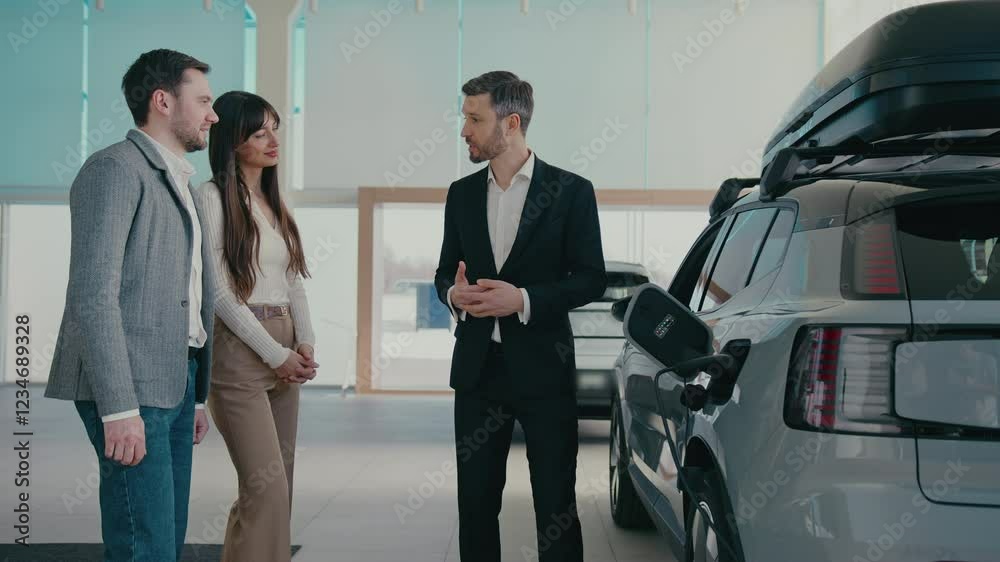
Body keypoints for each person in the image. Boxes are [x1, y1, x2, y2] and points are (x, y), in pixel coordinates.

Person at [45, 48, 219, 562]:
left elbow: (189, 292)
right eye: (203, 100)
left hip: (176, 380)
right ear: (163, 101)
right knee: (144, 543)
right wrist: (118, 407)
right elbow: (92, 295)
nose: (213, 114)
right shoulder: (114, 171)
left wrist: (199, 395)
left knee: (166, 536)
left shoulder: (178, 178)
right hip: (130, 386)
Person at [434, 71, 607, 562]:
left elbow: (591, 277)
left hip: (544, 372)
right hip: (477, 372)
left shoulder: (572, 191)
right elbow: (445, 273)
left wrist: (523, 299)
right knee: (476, 506)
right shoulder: (461, 194)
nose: (463, 130)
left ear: (510, 123)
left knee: (556, 506)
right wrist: (455, 294)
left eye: (474, 119)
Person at [194, 90, 318, 562]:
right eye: (259, 131)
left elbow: (293, 282)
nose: (272, 140)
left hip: (285, 342)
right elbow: (221, 294)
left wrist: (304, 342)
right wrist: (276, 354)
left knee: (276, 487)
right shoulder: (209, 197)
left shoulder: (273, 201)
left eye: (275, 129)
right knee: (263, 488)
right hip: (240, 351)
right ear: (232, 139)